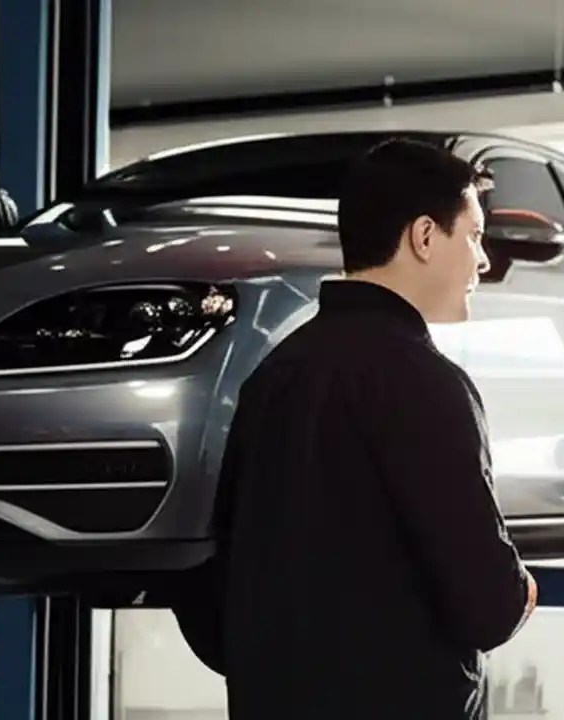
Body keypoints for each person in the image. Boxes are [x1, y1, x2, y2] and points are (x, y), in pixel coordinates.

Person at [183, 138, 538, 719]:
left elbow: (210, 591)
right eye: (474, 235)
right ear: (425, 237)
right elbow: (488, 607)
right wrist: (521, 591)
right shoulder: (428, 384)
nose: (483, 261)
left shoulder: (270, 376)